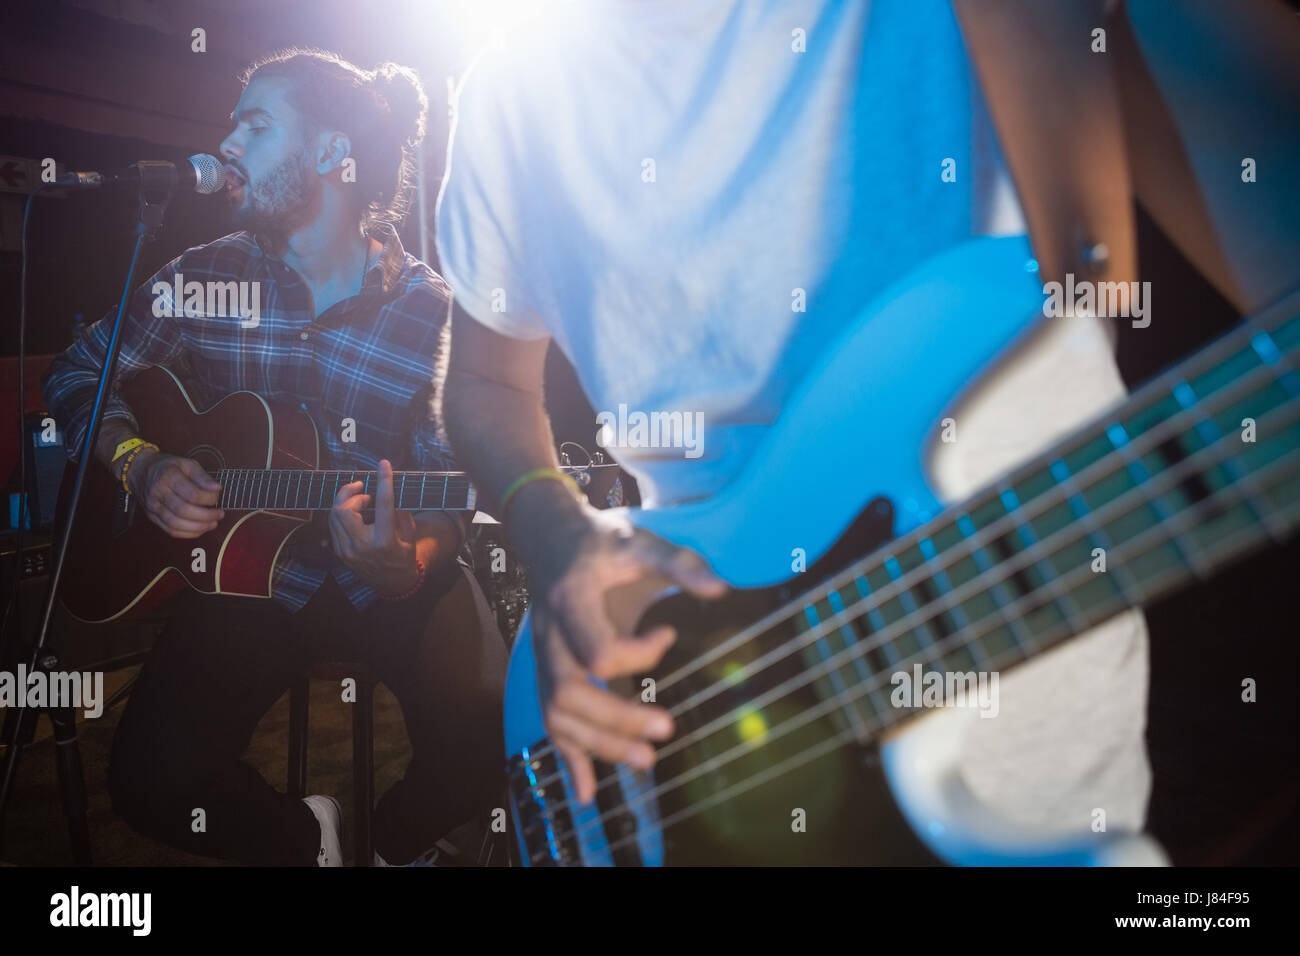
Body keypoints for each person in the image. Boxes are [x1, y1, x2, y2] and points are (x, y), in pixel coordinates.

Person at [434, 0, 1300, 860]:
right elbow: (482, 377)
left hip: (1036, 794)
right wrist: (551, 536)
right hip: (677, 701)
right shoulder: (513, 87)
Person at [41, 48, 507, 866]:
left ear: (332, 154)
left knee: (492, 733)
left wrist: (408, 559)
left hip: (387, 579)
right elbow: (81, 369)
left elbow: (445, 497)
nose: (227, 141)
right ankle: (308, 840)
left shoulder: (438, 318)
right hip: (245, 571)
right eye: (233, 121)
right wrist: (139, 462)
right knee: (150, 782)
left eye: (255, 124)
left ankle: (391, 847)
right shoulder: (203, 273)